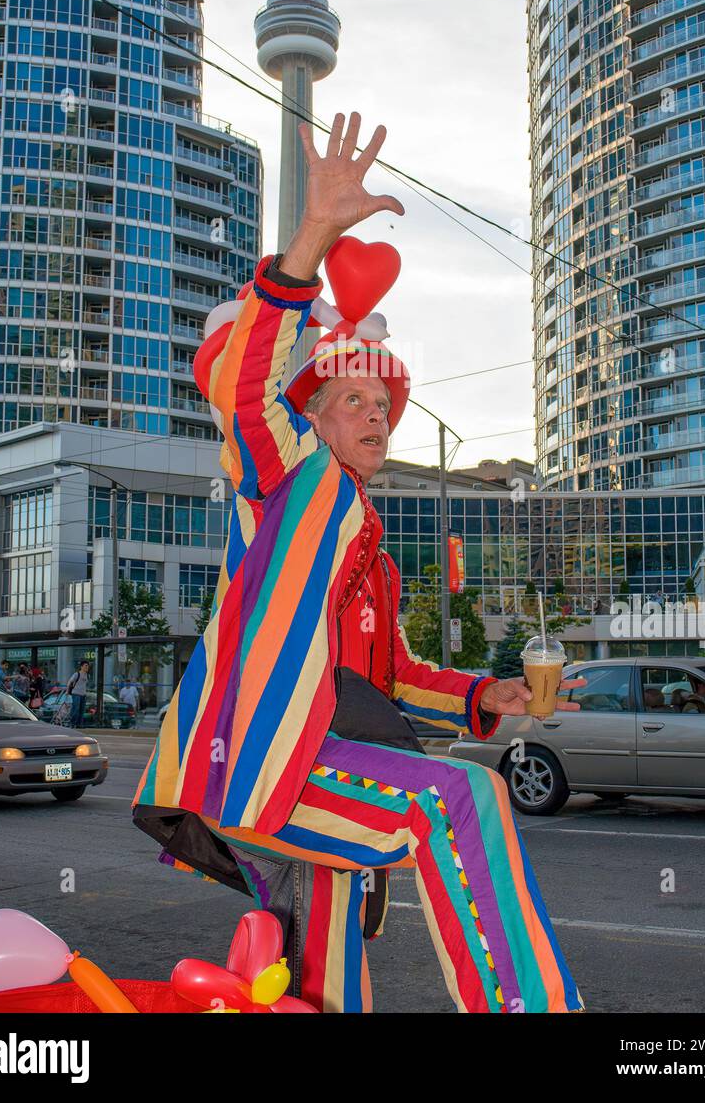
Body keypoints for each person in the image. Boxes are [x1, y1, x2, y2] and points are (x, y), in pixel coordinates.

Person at [134, 112, 585, 1014]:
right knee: (461, 802)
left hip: (323, 757)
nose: (376, 416)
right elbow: (250, 390)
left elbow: (383, 677)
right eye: (352, 399)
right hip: (256, 764)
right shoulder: (287, 475)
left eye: (383, 403)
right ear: (312, 414)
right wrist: (312, 238)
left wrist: (476, 695)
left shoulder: (370, 550)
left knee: (326, 959)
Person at [67, 661, 90, 729]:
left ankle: (79, 724)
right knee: (76, 709)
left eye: (88, 666)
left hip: (83, 694)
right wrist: (67, 691)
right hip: (76, 693)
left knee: (82, 710)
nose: (87, 667)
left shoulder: (87, 675)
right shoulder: (77, 674)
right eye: (85, 665)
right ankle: (72, 723)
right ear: (81, 666)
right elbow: (70, 681)